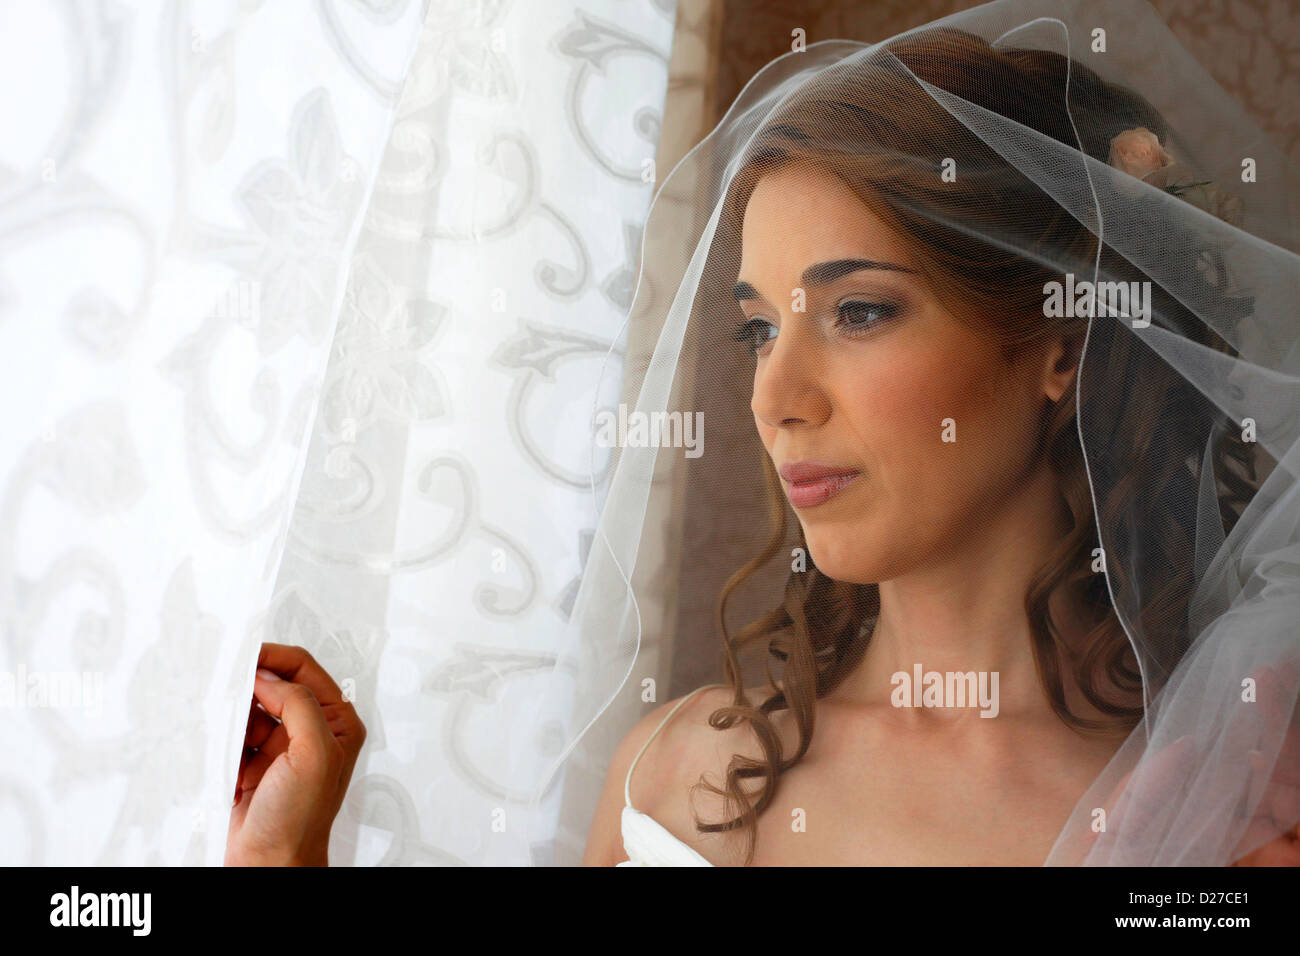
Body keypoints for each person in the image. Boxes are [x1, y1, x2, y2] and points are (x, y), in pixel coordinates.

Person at [226, 0, 1300, 867]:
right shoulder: (674, 768)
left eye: (859, 311)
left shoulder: (1206, 825)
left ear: (1060, 342)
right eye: (756, 328)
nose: (773, 394)